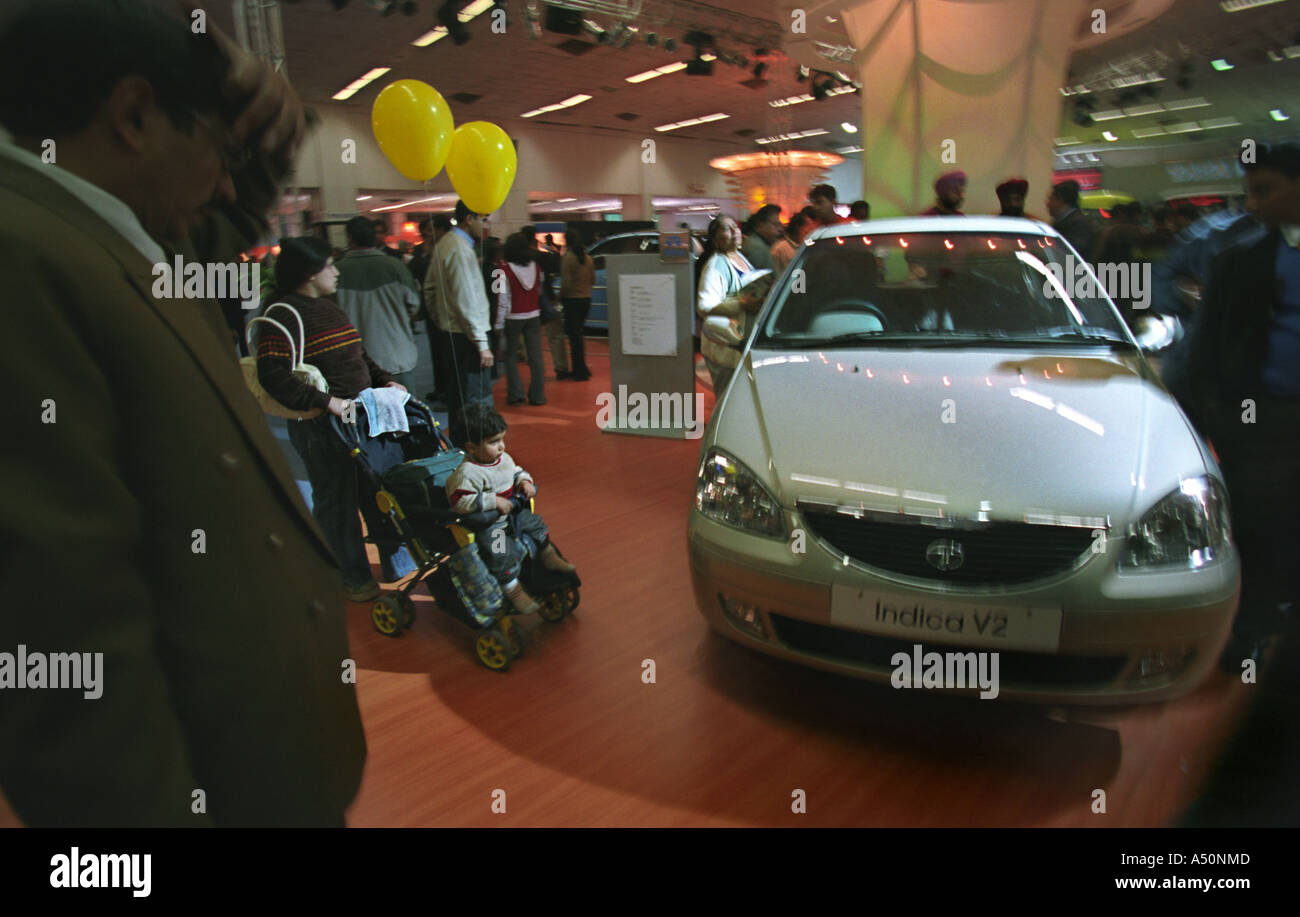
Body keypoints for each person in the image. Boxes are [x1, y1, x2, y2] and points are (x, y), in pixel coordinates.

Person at [0, 0, 364, 826]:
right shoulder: (25, 258)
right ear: (133, 115)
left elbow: (226, 218)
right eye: (219, 147)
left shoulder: (111, 237)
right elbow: (70, 661)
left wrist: (265, 125)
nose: (232, 178)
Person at [1165, 142, 1300, 674]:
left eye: (1265, 190)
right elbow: (1204, 350)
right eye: (1250, 191)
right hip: (1262, 421)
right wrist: (1214, 419)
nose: (1253, 203)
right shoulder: (1239, 261)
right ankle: (1251, 631)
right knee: (1259, 530)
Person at [254, 237, 407, 601]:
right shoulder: (281, 315)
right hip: (320, 426)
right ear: (309, 273)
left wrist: (384, 379)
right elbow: (272, 374)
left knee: (376, 492)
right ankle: (352, 577)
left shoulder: (327, 306)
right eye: (329, 265)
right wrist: (327, 402)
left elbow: (356, 355)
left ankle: (395, 565)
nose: (336, 272)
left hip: (361, 417)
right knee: (335, 503)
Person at [445, 404, 577, 615]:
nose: (501, 447)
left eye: (502, 439)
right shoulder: (467, 474)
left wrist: (524, 482)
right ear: (471, 448)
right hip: (492, 525)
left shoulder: (503, 460)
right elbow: (459, 501)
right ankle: (512, 590)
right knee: (501, 554)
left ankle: (548, 556)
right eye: (493, 442)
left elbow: (516, 472)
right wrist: (493, 501)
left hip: (514, 515)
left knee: (537, 525)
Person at [424, 200, 494, 446]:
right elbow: (467, 300)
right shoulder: (460, 250)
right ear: (468, 219)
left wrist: (441, 320)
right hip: (466, 337)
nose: (487, 224)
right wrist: (481, 342)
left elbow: (429, 290)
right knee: (475, 399)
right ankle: (477, 452)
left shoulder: (445, 245)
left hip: (451, 332)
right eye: (483, 218)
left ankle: (461, 448)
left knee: (459, 397)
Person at [335, 215, 422, 392]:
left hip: (355, 360)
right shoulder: (395, 266)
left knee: (365, 416)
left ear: (350, 238)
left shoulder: (336, 271)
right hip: (395, 355)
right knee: (403, 414)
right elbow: (414, 304)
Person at [696, 215, 759, 393]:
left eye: (736, 227)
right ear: (716, 239)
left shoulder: (739, 258)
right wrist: (743, 304)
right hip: (723, 348)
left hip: (738, 344)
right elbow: (704, 307)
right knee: (726, 400)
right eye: (726, 229)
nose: (734, 232)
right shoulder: (715, 266)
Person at [497, 232, 547, 406]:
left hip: (513, 317)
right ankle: (538, 396)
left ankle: (516, 394)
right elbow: (539, 290)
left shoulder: (502, 270)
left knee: (510, 356)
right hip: (534, 315)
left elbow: (502, 300)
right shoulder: (536, 266)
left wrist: (498, 323)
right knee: (536, 357)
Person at [522, 223, 569, 380]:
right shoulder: (540, 256)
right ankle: (560, 367)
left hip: (526, 303)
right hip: (546, 298)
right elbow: (556, 261)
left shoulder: (515, 259)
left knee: (530, 336)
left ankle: (534, 365)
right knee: (555, 335)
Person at [560, 225, 595, 381]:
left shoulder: (568, 258)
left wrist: (559, 297)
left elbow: (566, 284)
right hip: (586, 299)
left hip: (572, 301)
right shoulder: (588, 258)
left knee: (574, 337)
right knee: (579, 335)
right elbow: (592, 280)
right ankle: (582, 368)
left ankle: (578, 370)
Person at [1047, 179, 1099, 260]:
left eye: (1050, 199)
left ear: (1060, 199)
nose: (1047, 203)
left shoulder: (1078, 224)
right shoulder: (1063, 221)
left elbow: (1070, 252)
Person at [741, 203, 782, 271]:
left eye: (780, 224)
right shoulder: (756, 247)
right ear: (760, 225)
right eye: (775, 224)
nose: (780, 229)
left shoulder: (758, 243)